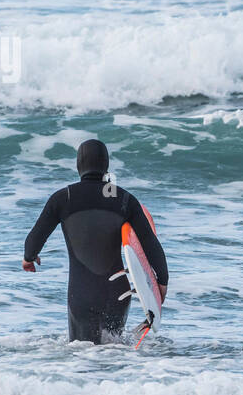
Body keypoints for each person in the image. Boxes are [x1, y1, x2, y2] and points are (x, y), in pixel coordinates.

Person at [22, 139, 168, 343]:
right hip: (118, 293)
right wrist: (161, 283)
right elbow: (150, 244)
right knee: (113, 352)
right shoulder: (124, 199)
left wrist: (29, 258)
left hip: (82, 294)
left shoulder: (63, 198)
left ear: (78, 166)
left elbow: (33, 241)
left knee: (84, 357)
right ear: (106, 166)